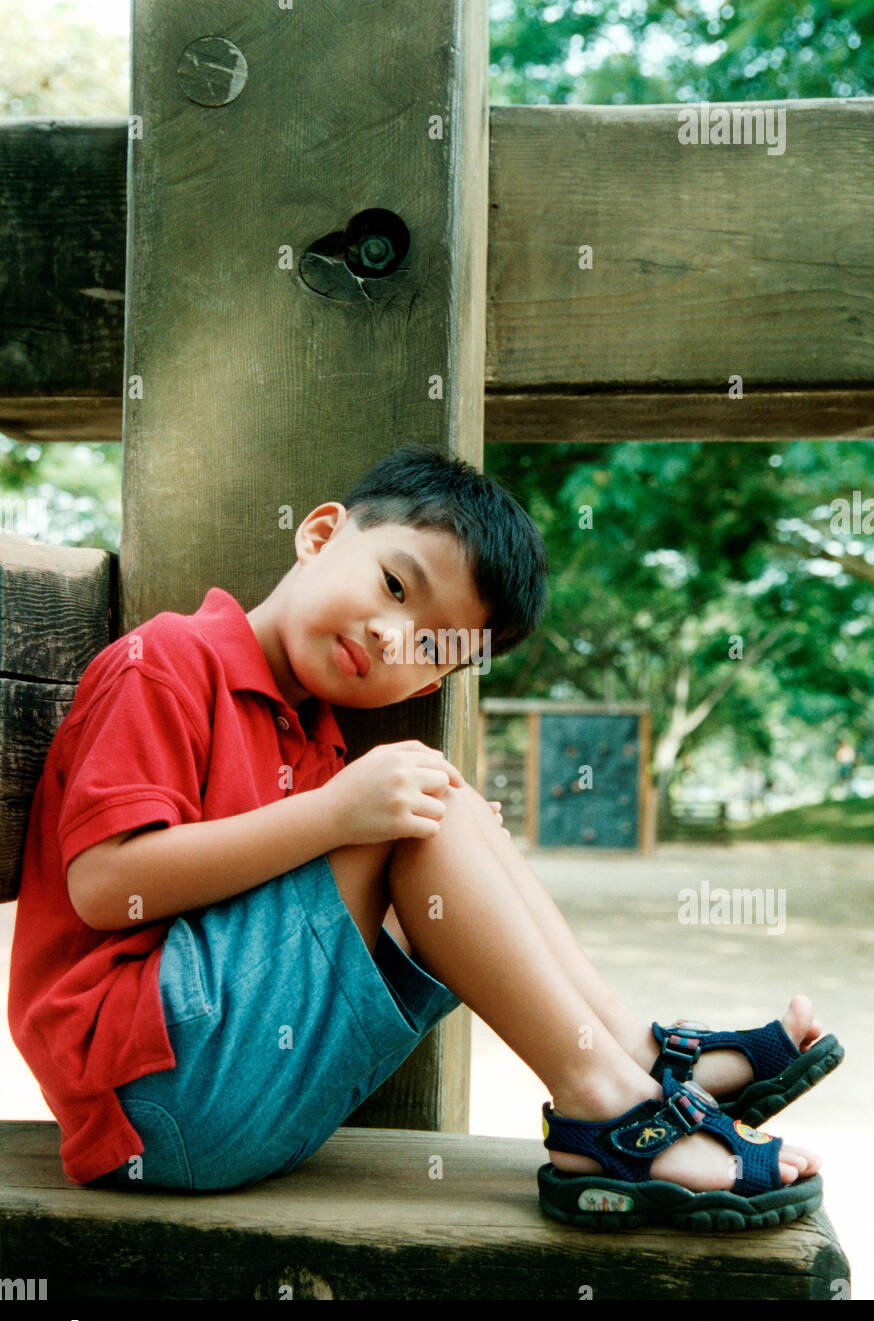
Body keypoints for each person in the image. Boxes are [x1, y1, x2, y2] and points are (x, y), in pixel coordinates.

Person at [8, 445, 842, 1232]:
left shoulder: (319, 741)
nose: (389, 635)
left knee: (438, 804)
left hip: (245, 1103)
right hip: (148, 1093)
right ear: (322, 533)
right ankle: (610, 1104)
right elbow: (107, 886)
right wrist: (340, 814)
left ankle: (634, 1059)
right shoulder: (168, 661)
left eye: (429, 649)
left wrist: (403, 829)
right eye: (396, 588)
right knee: (417, 800)